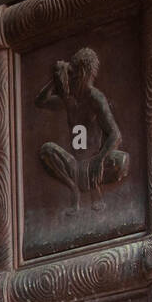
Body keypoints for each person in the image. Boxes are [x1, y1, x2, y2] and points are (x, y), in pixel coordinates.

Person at [34, 47, 130, 214]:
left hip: (94, 160)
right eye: (71, 73)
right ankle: (74, 188)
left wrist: (100, 160)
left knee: (122, 162)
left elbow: (115, 135)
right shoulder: (68, 99)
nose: (72, 77)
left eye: (75, 72)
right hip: (73, 162)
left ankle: (91, 183)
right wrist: (55, 79)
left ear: (85, 72)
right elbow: (40, 102)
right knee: (47, 150)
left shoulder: (95, 98)